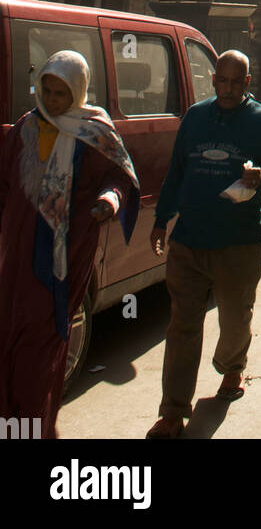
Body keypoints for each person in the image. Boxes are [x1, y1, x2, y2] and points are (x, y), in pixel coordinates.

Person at [145, 50, 261, 439]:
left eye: (235, 82)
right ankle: (173, 412)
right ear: (213, 81)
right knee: (182, 326)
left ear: (247, 83)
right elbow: (177, 172)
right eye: (221, 81)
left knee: (234, 317)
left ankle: (232, 366)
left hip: (239, 243)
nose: (227, 89)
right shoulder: (195, 117)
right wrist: (162, 219)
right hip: (190, 239)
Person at [0, 51, 139, 438]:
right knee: (7, 339)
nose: (53, 99)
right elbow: (6, 183)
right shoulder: (25, 128)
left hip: (61, 259)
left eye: (61, 92)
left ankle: (32, 428)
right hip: (16, 255)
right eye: (47, 89)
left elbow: (119, 178)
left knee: (39, 348)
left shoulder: (93, 131)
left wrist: (108, 202)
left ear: (77, 92)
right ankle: (9, 426)